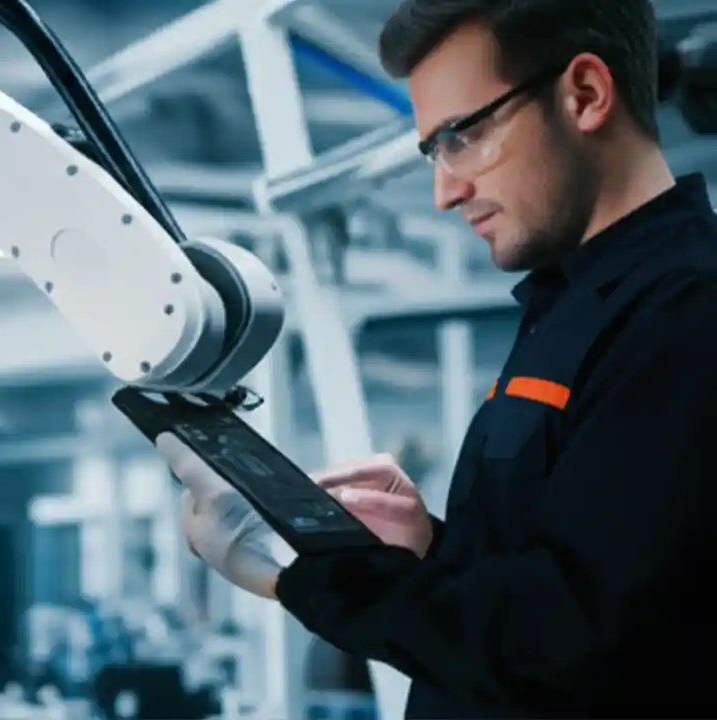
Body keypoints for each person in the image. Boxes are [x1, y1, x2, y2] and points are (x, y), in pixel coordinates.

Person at [156, 1, 717, 717]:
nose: (444, 189)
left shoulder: (688, 312)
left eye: (463, 135)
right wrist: (430, 546)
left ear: (585, 94)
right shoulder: (572, 308)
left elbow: (565, 641)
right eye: (433, 149)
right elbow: (575, 576)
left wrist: (293, 579)